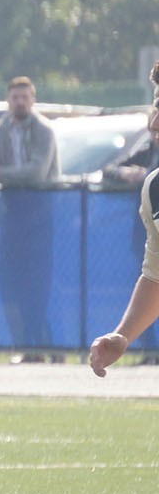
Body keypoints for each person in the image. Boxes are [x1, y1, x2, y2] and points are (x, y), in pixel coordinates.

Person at [0, 76, 60, 363]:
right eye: (15, 97)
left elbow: (36, 172)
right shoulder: (1, 129)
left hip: (38, 217)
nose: (20, 102)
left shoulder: (44, 130)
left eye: (25, 97)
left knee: (37, 285)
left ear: (33, 99)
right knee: (9, 282)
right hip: (11, 217)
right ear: (8, 100)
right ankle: (27, 346)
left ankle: (47, 348)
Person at [89, 65, 159, 377]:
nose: (154, 122)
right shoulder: (155, 186)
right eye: (156, 105)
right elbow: (156, 276)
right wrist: (124, 334)